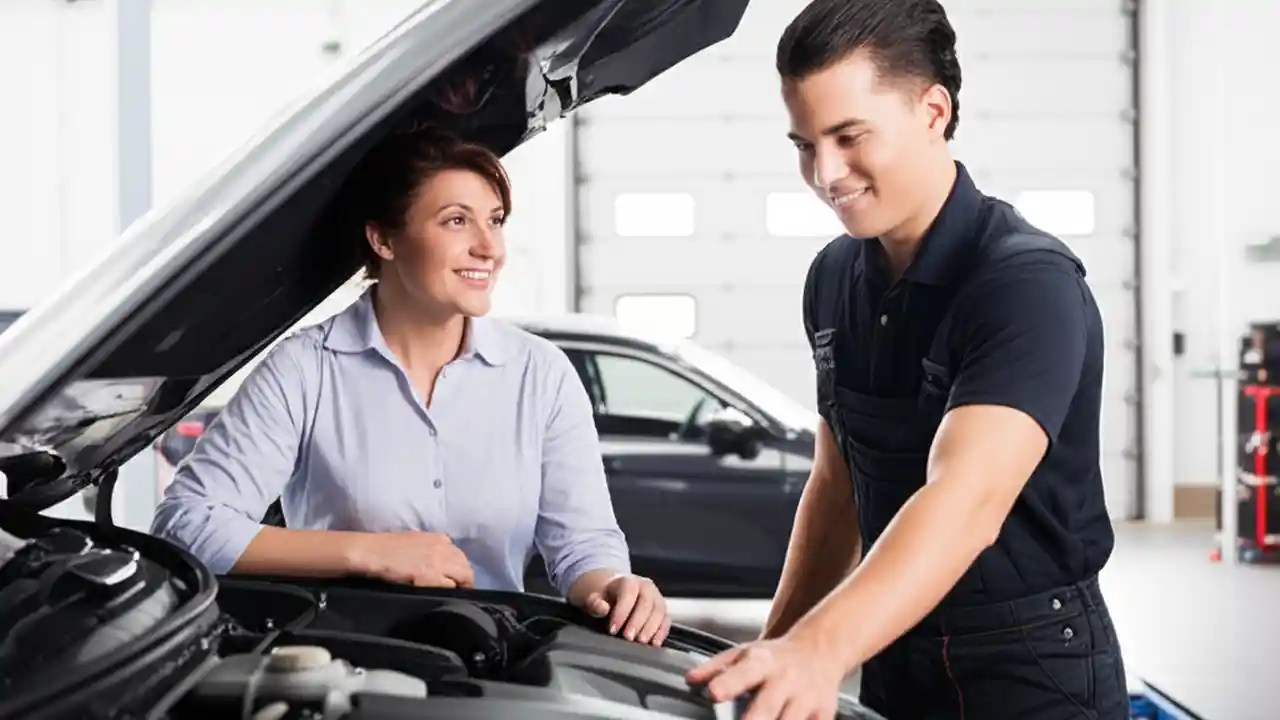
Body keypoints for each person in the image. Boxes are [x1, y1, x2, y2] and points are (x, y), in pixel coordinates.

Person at [686, 0, 1129, 717]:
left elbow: (967, 503)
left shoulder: (1024, 284)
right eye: (804, 144)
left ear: (932, 111)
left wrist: (820, 650)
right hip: (893, 644)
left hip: (1029, 661)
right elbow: (837, 492)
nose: (827, 173)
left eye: (849, 136)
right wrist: (778, 649)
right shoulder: (833, 278)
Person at [151, 127, 671, 647]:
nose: (489, 247)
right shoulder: (305, 370)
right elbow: (187, 524)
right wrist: (371, 553)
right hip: (343, 658)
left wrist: (615, 585)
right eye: (456, 221)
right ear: (383, 239)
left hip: (494, 664)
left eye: (494, 221)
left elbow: (582, 545)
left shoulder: (542, 374)